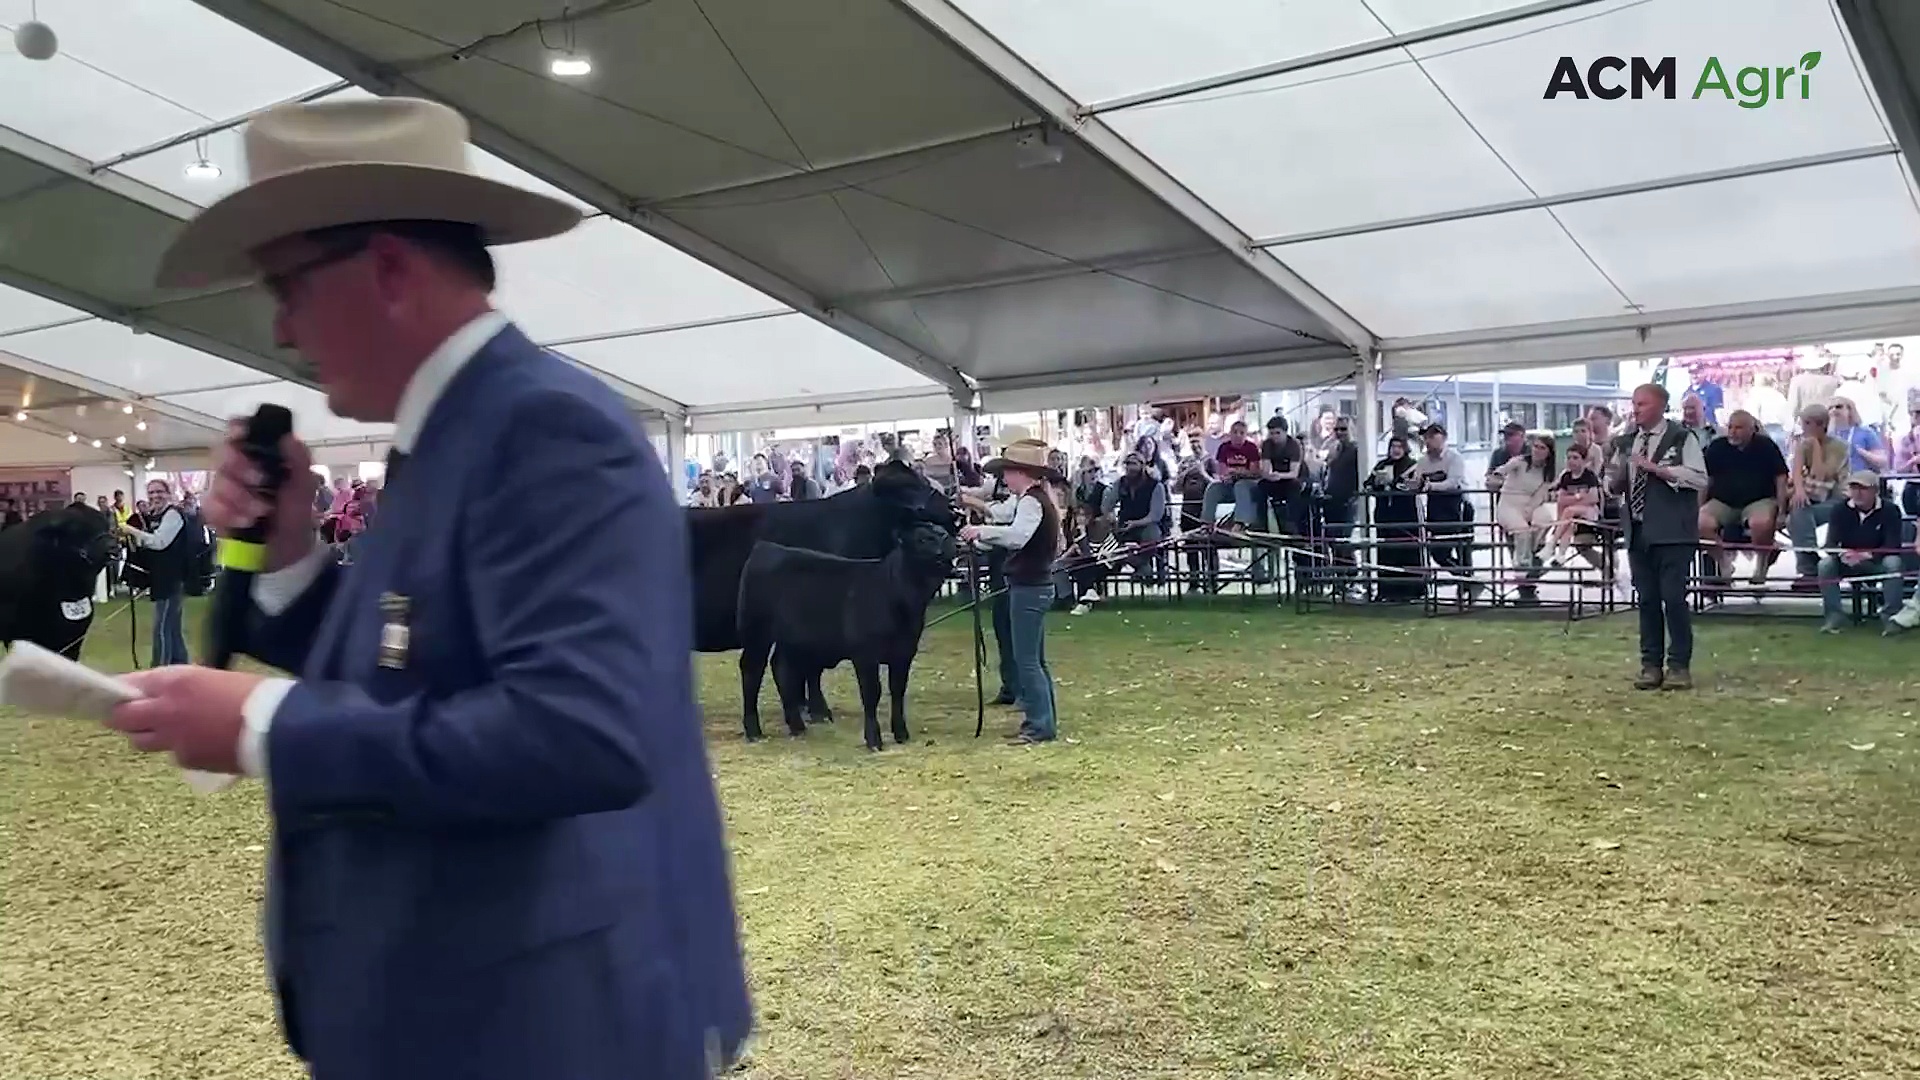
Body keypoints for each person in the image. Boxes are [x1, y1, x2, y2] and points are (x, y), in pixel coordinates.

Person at [99, 97, 749, 1077]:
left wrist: (264, 724)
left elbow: (579, 732)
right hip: (479, 1010)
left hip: (542, 1028)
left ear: (391, 269)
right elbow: (415, 667)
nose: (280, 326)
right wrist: (287, 559)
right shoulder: (456, 431)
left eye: (288, 285)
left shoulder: (542, 430)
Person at [961, 438, 1061, 745]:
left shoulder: (1032, 501)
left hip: (1029, 588)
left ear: (1022, 473)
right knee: (1035, 659)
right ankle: (1041, 720)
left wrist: (980, 531)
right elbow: (1011, 528)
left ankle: (1039, 725)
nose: (1004, 478)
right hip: (1035, 586)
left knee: (1027, 660)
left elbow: (1018, 537)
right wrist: (982, 538)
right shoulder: (1034, 499)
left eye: (1007, 472)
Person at [1612, 383, 1708, 691]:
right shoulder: (1626, 441)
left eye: (1641, 403)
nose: (1635, 409)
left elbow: (1699, 478)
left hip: (1673, 531)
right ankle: (1650, 665)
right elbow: (1612, 482)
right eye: (1634, 403)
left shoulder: (1681, 437)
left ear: (1660, 406)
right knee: (1648, 600)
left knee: (1673, 599)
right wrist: (1612, 481)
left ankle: (1679, 665)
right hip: (1638, 530)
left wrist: (1660, 470)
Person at [1816, 470, 1905, 635]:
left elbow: (1893, 544)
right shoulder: (1840, 510)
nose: (1857, 493)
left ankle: (1892, 618)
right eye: (1853, 487)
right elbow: (1831, 543)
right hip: (1847, 561)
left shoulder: (1890, 510)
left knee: (1894, 563)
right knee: (1825, 565)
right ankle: (1834, 617)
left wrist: (1867, 555)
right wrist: (1843, 554)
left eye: (1862, 488)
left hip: (1877, 562)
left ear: (1875, 491)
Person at [119, 477, 192, 665]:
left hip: (172, 578)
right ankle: (181, 667)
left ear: (168, 493)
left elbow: (159, 543)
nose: (155, 496)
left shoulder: (173, 514)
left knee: (162, 628)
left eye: (159, 491)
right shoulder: (156, 514)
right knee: (172, 628)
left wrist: (132, 531)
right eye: (151, 492)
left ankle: (160, 669)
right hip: (163, 577)